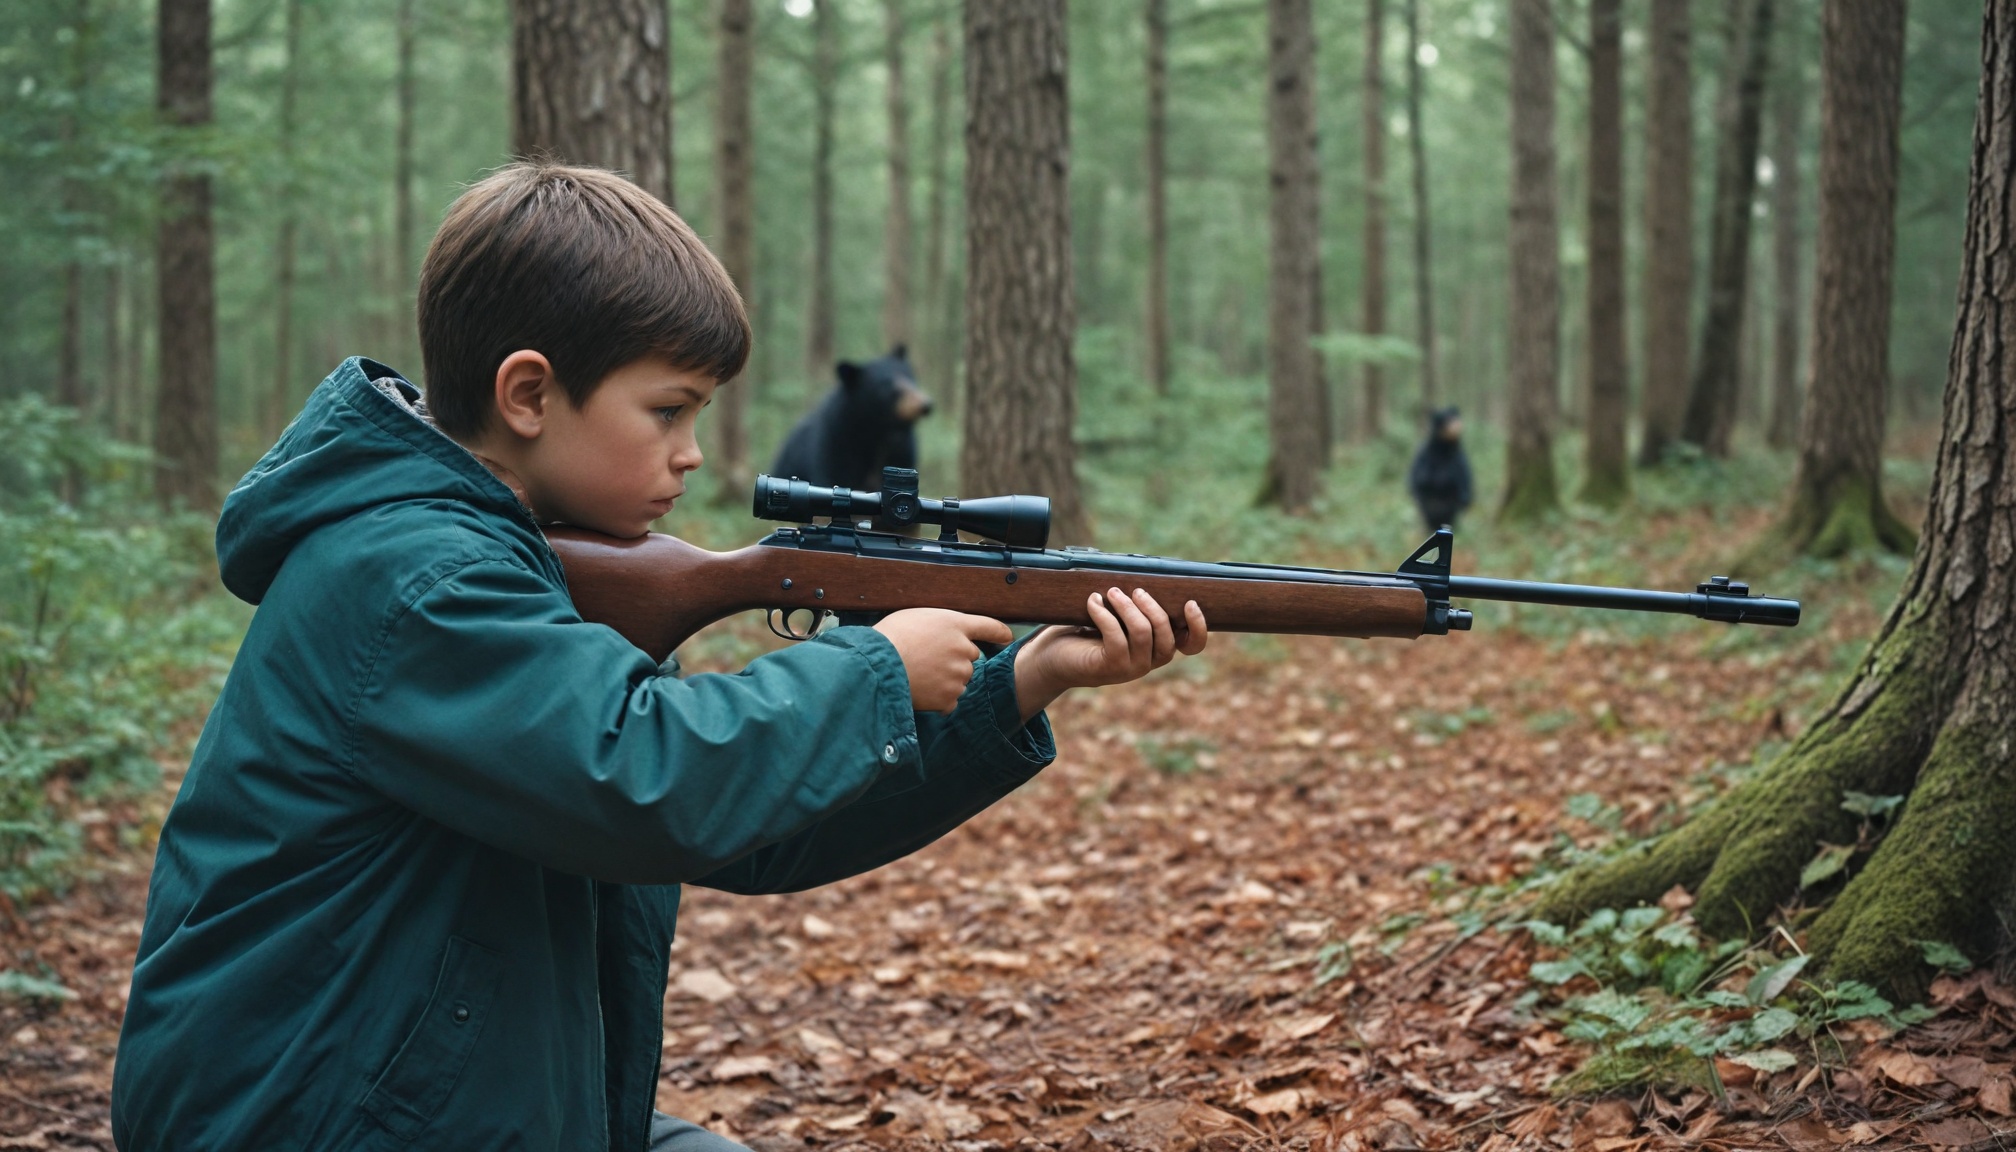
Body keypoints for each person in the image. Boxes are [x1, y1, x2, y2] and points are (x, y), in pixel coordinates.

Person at [110, 162, 1208, 1152]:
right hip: (300, 1112)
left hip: (456, 1096)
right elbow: (651, 784)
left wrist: (1021, 679)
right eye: (668, 410)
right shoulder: (420, 579)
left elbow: (747, 832)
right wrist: (872, 668)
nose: (692, 453)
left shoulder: (521, 569)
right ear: (529, 394)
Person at [1408, 405, 1474, 531]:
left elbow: (1464, 477)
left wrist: (1464, 497)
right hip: (1429, 506)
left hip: (1450, 509)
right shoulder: (1426, 452)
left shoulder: (1456, 453)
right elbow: (1416, 479)